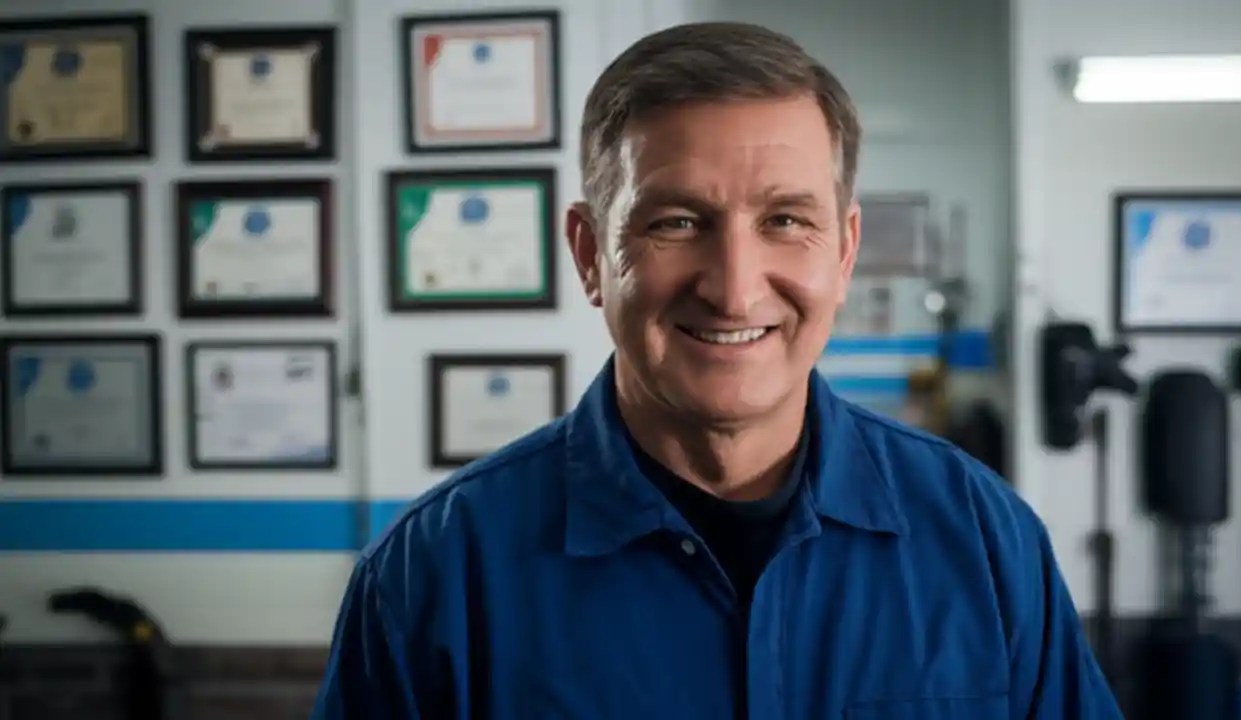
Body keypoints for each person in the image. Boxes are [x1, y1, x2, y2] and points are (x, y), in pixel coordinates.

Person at [311, 21, 1122, 719]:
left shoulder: (982, 540)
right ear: (592, 255)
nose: (734, 289)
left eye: (785, 220)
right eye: (676, 221)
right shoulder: (436, 576)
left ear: (843, 252)